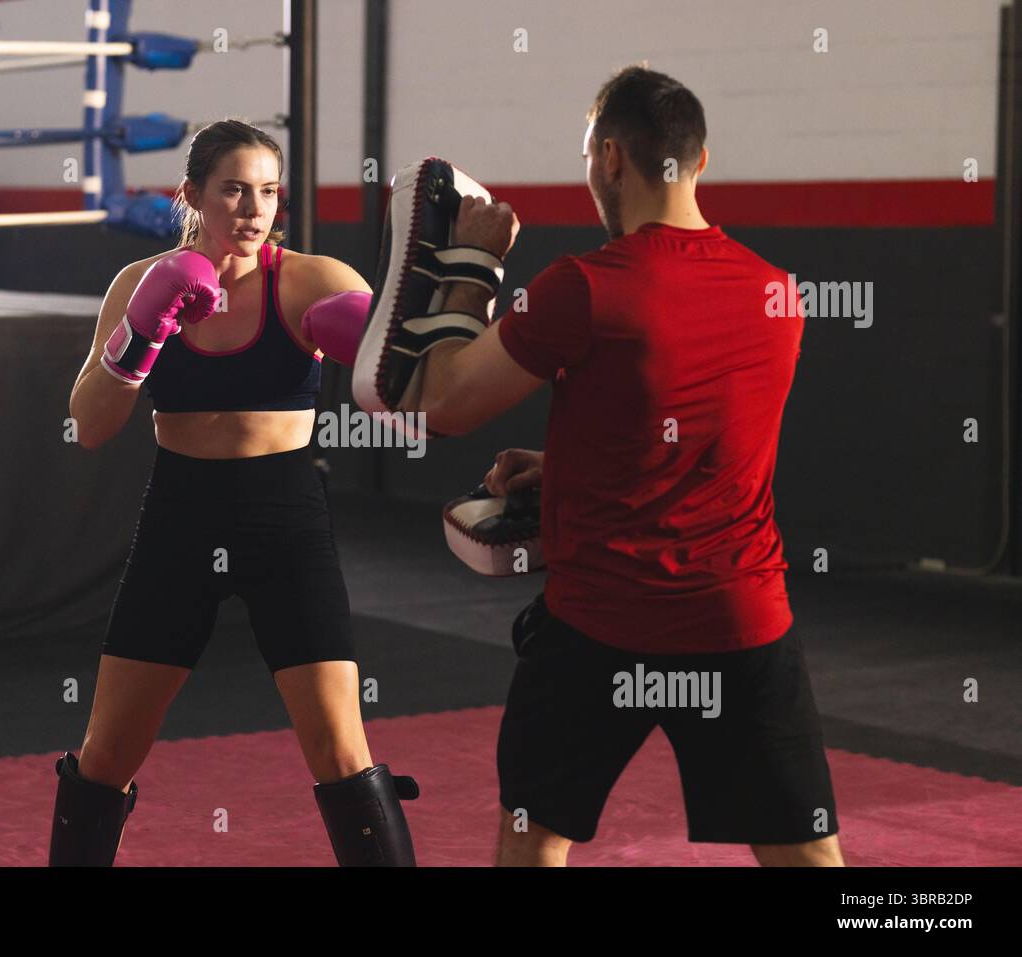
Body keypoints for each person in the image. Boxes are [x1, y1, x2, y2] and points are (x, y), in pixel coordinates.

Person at [371, 66, 844, 867]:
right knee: (807, 858)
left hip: (600, 628)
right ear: (700, 161)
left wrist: (473, 264)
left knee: (532, 844)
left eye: (589, 153)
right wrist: (569, 465)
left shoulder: (583, 288)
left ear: (613, 158)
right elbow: (696, 443)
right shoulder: (778, 294)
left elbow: (441, 401)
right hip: (741, 622)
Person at [51, 119, 417, 867]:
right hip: (181, 515)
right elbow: (89, 426)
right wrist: (141, 334)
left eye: (269, 192)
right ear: (191, 194)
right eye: (234, 190)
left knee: (340, 746)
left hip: (284, 516)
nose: (254, 209)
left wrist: (392, 351)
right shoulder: (138, 285)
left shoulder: (317, 281)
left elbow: (419, 398)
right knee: (108, 750)